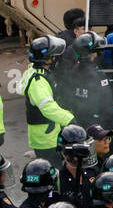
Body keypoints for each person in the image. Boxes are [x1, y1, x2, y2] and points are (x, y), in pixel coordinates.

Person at [20, 35, 75, 168]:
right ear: (46, 59)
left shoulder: (35, 71)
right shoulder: (38, 81)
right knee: (54, 171)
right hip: (46, 138)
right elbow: (48, 107)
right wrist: (69, 119)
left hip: (47, 133)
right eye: (53, 56)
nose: (55, 58)